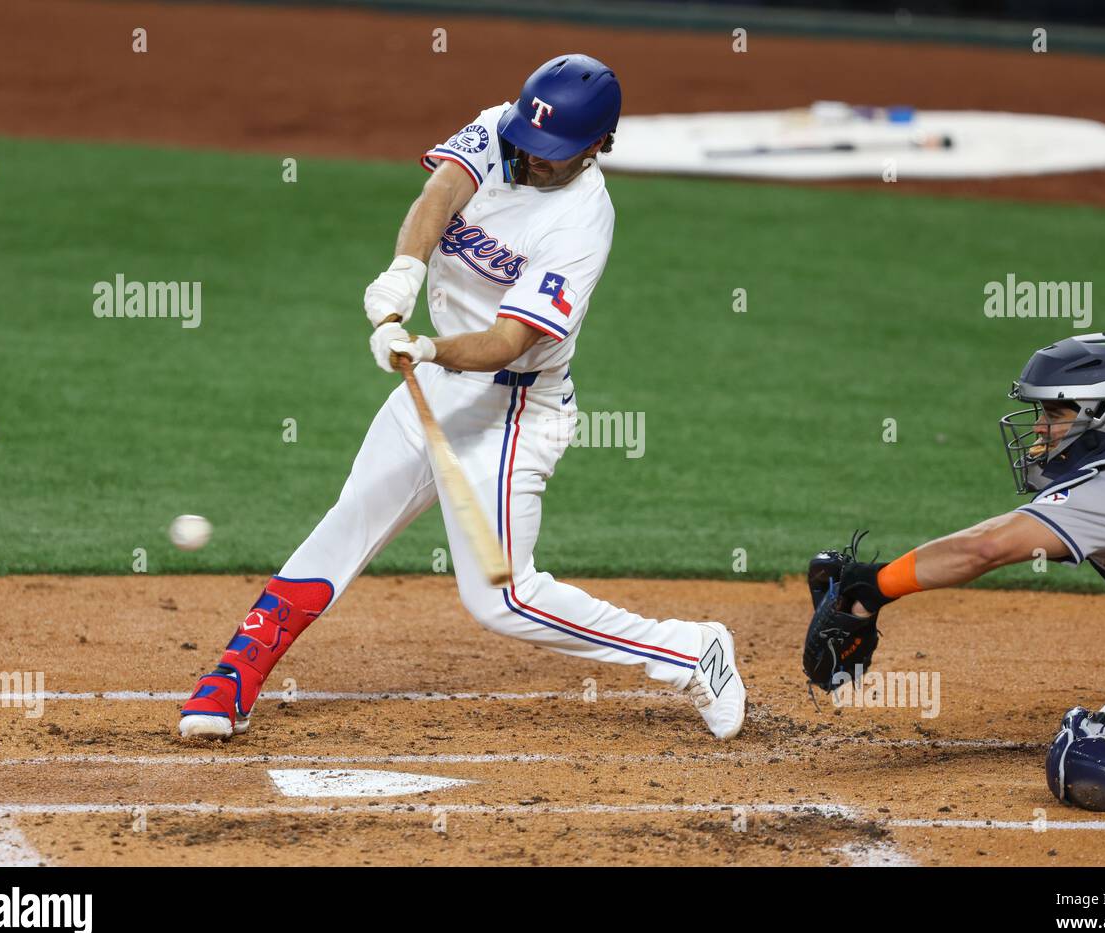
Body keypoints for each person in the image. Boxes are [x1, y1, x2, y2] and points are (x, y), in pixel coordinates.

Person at [178, 54, 746, 743]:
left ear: (598, 144)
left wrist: (425, 348)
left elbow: (507, 341)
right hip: (438, 382)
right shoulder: (500, 128)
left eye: (552, 153)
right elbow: (440, 194)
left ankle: (691, 651)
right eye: (529, 145)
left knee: (502, 599)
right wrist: (404, 271)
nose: (533, 160)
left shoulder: (580, 226)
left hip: (510, 414)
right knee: (349, 519)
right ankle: (235, 673)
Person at [805, 331, 1105, 811]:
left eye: (1055, 414)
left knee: (1090, 755)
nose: (1038, 429)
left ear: (1103, 412)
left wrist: (875, 586)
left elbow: (987, 547)